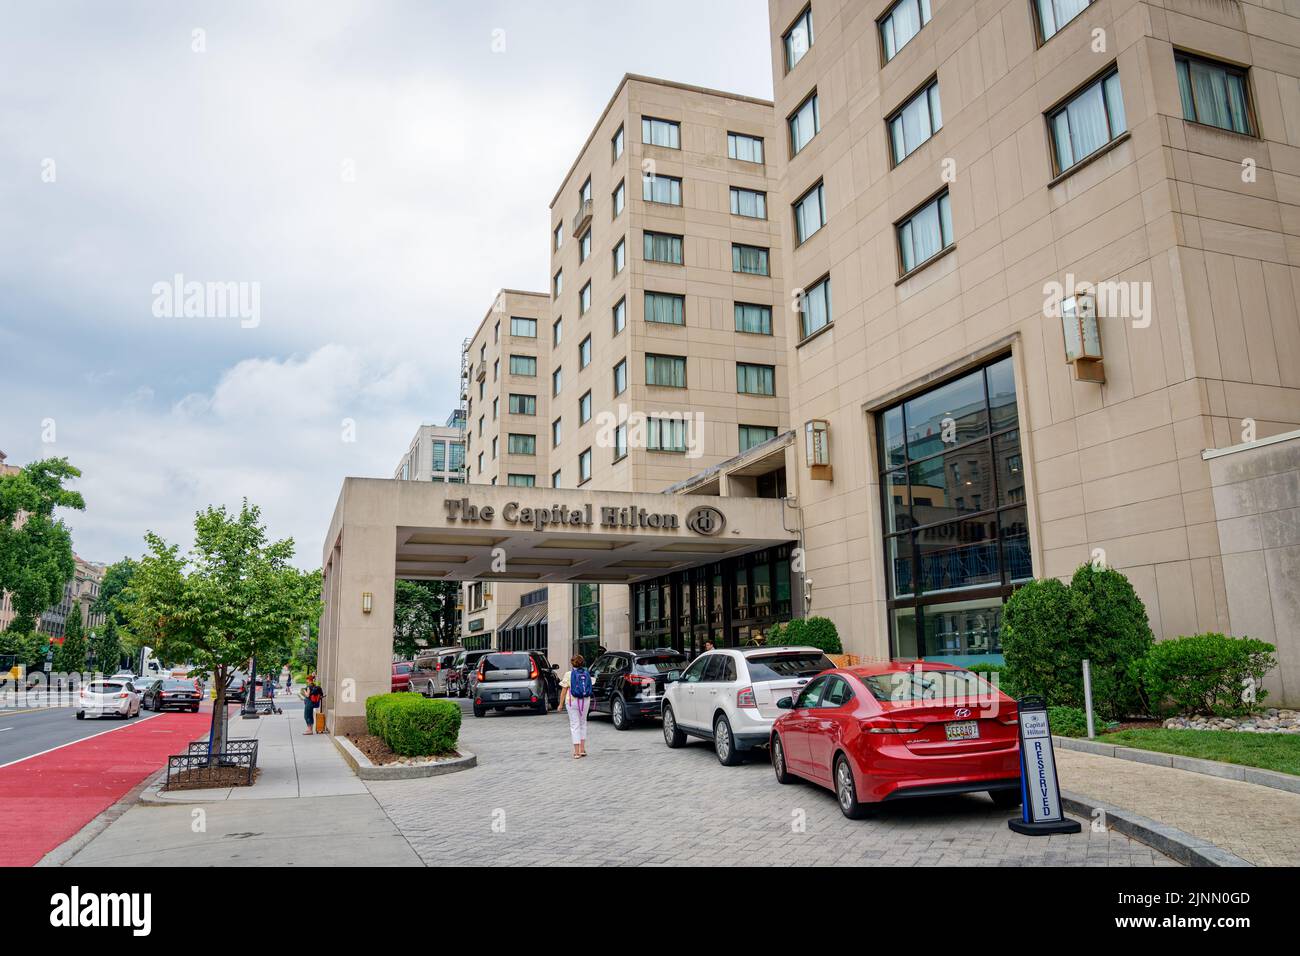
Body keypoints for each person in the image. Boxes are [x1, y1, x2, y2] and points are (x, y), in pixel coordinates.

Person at [557, 655, 592, 759]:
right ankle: (582, 749)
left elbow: (564, 691)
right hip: (585, 701)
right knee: (583, 723)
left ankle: (576, 752)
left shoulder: (569, 674)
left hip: (572, 701)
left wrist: (560, 704)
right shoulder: (587, 673)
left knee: (574, 725)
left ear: (572, 663)